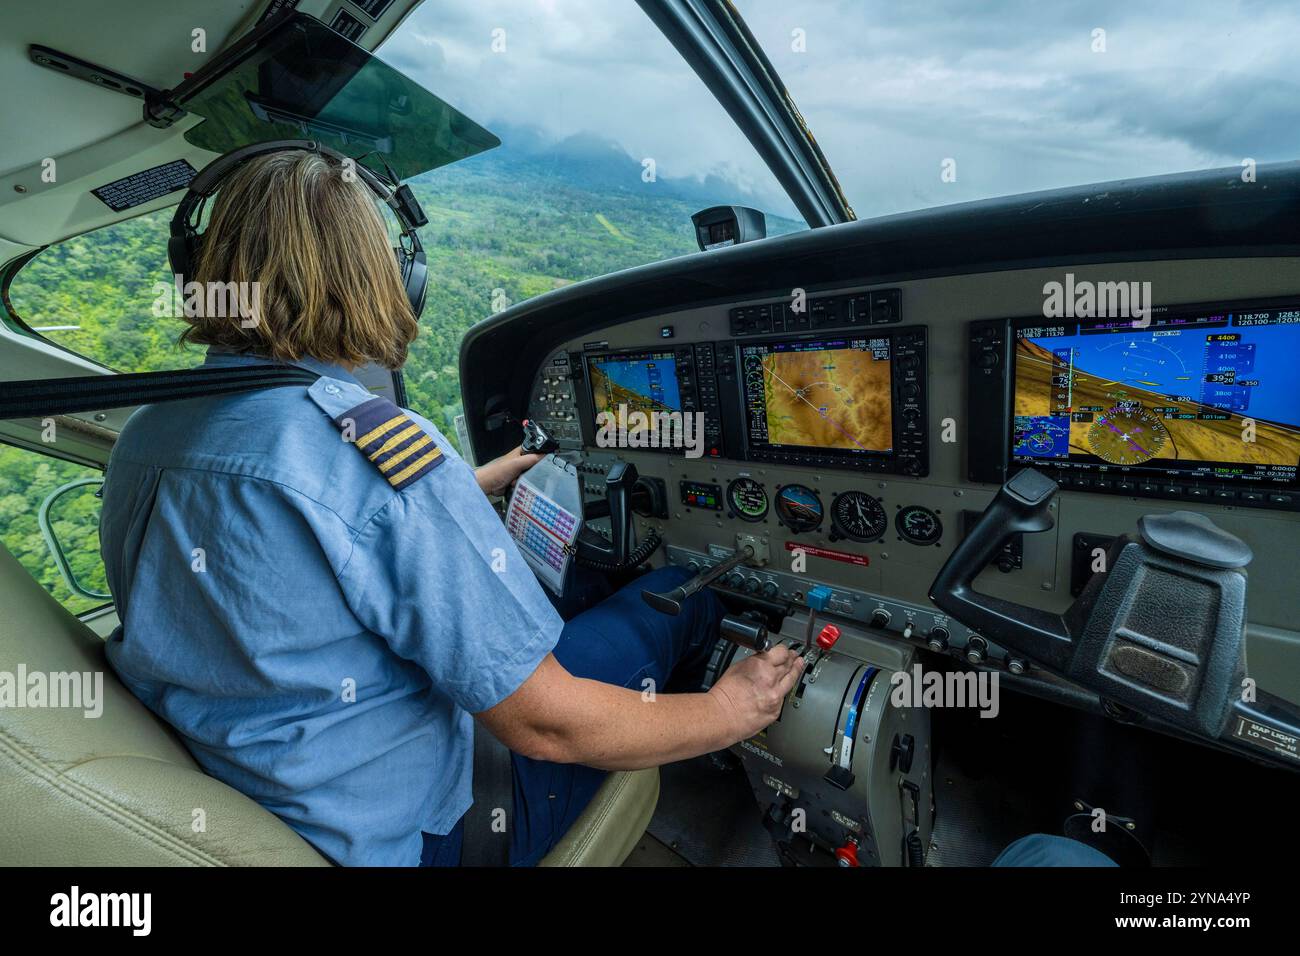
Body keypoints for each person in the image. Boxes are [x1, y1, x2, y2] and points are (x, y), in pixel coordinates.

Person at [100, 148, 804, 867]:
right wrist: (727, 711)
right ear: (390, 279)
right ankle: (728, 770)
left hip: (270, 788)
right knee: (671, 594)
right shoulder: (375, 446)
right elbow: (545, 728)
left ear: (201, 272)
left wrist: (467, 483)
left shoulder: (149, 431)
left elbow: (312, 545)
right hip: (431, 832)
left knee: (590, 585)